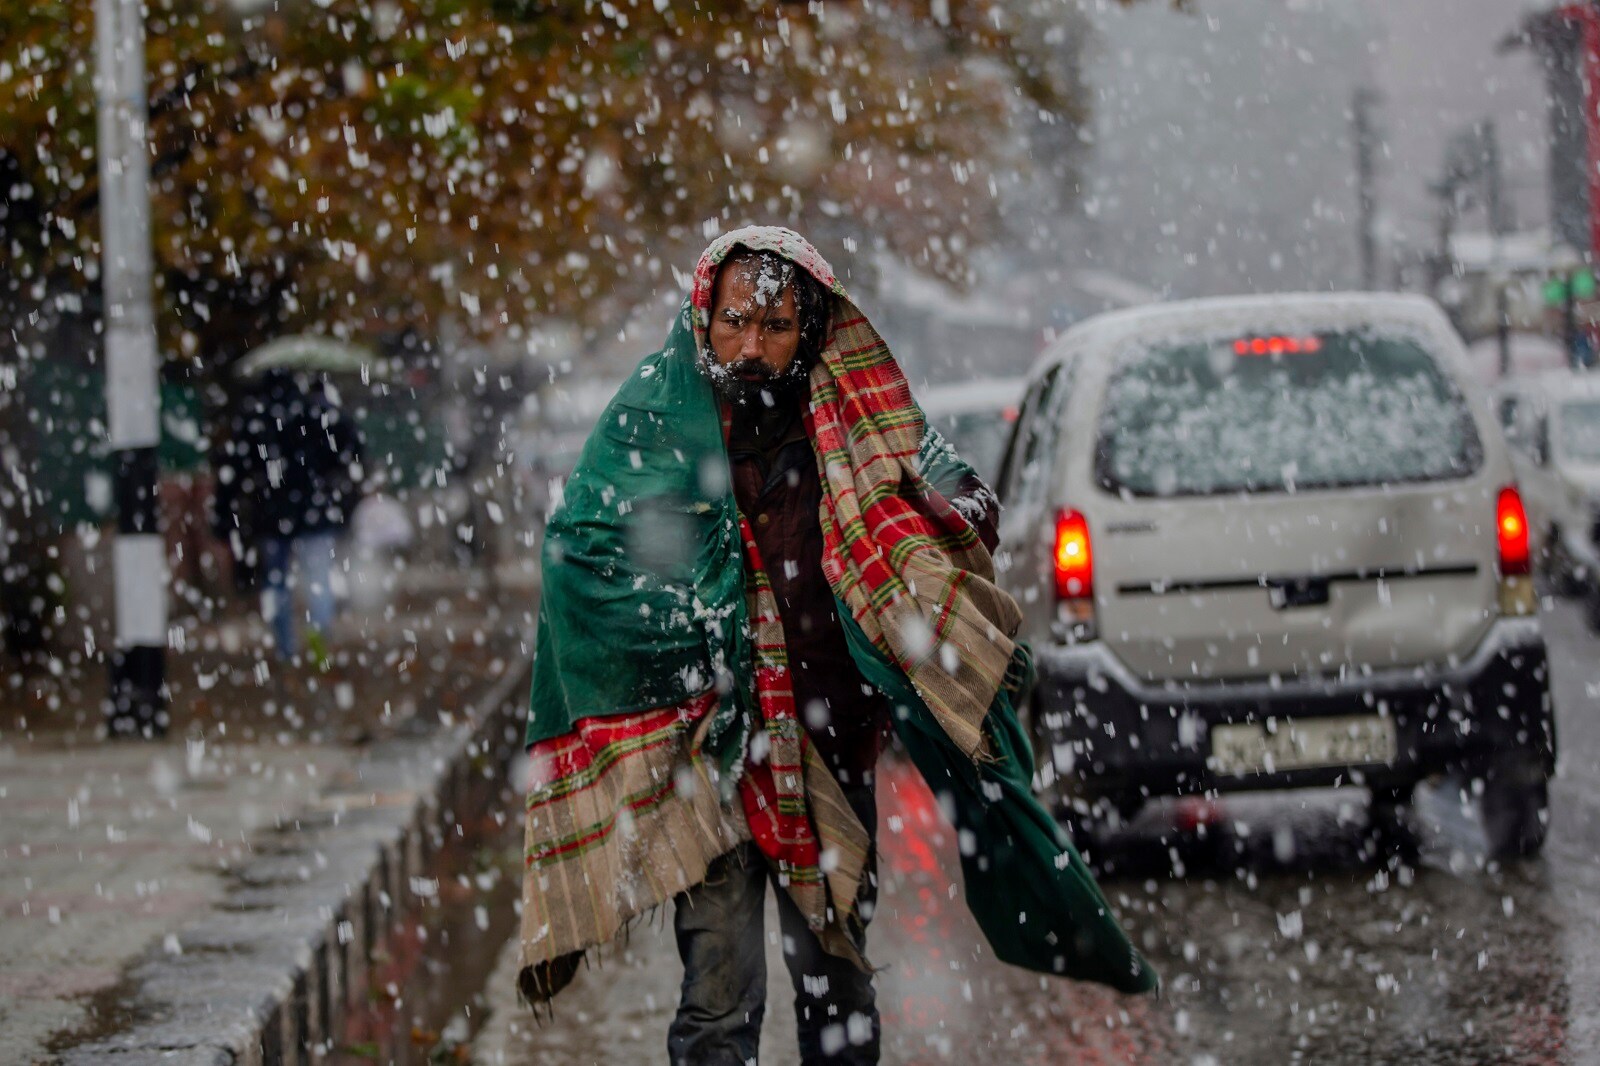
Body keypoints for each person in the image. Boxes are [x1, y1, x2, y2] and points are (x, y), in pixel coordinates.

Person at [516, 228, 1156, 1065]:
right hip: (707, 762)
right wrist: (688, 631)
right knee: (715, 998)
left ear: (812, 328)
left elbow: (954, 482)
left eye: (776, 326)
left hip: (829, 746)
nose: (752, 346)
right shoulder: (653, 416)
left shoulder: (853, 417)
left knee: (838, 988)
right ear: (703, 317)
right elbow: (582, 547)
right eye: (735, 322)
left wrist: (943, 514)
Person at [214, 368, 364, 661]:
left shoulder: (258, 418)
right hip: (315, 509)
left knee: (276, 579)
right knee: (318, 577)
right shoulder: (317, 412)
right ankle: (319, 638)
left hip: (272, 513)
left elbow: (236, 467)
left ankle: (285, 647)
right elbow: (350, 449)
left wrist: (227, 511)